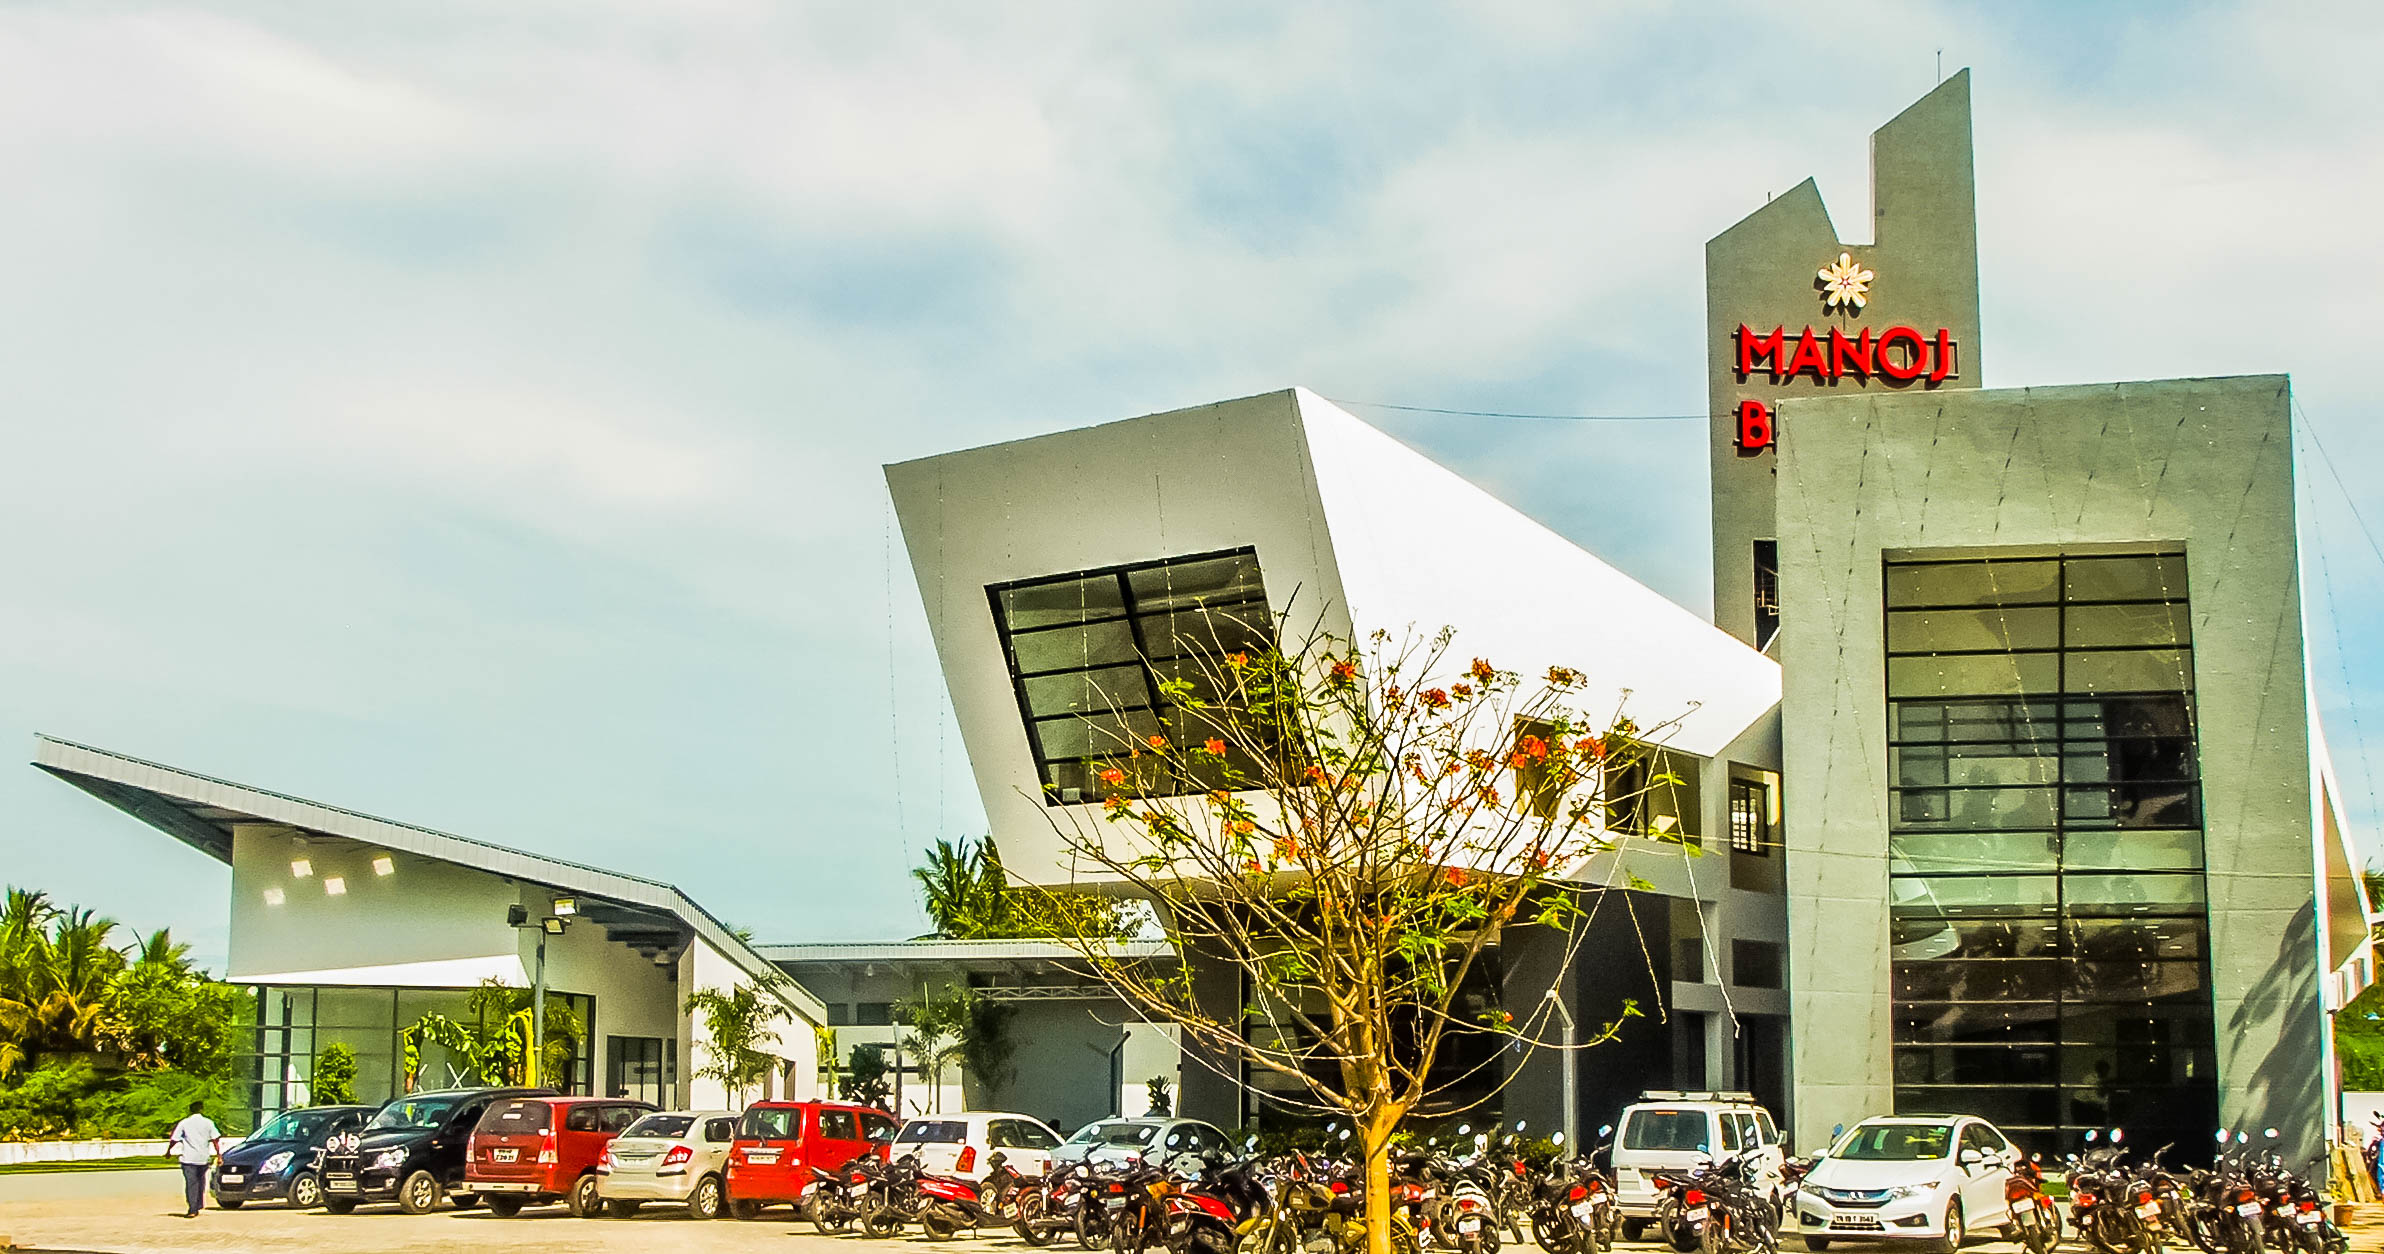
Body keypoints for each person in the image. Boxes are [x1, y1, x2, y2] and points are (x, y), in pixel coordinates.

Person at [164, 1100, 222, 1218]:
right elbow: (216, 1140)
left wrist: (169, 1151)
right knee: (200, 1181)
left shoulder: (184, 1123)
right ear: (201, 1109)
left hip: (188, 1158)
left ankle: (192, 1208)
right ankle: (198, 1204)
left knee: (191, 1183)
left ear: (190, 1110)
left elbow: (174, 1139)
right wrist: (219, 1155)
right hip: (203, 1158)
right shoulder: (208, 1123)